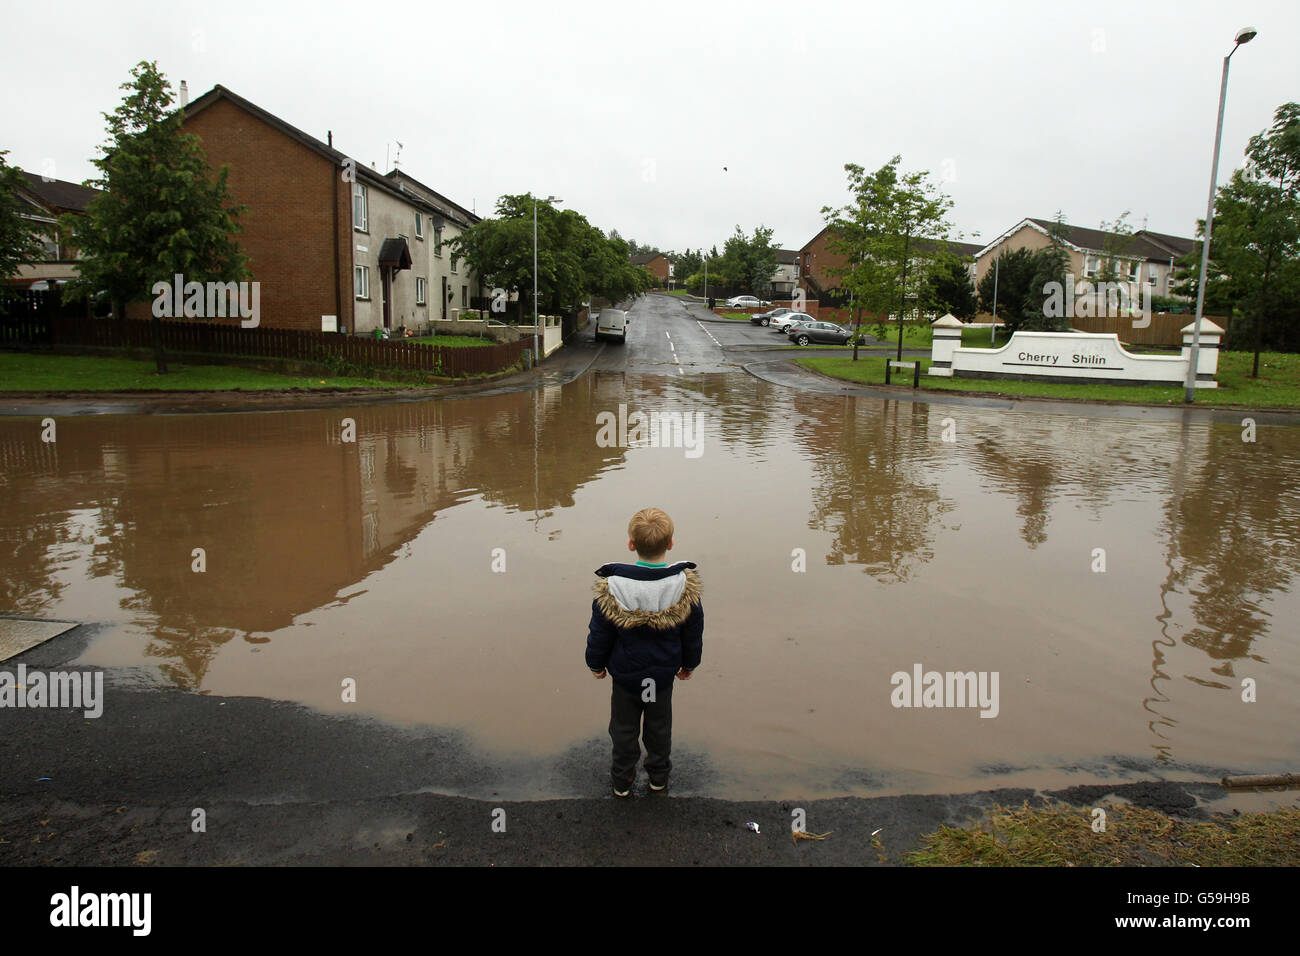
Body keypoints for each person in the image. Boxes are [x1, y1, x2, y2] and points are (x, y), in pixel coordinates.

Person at [586, 508, 703, 797]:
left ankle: (622, 783)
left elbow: (600, 633)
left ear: (630, 544)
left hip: (626, 677)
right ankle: (658, 780)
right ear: (671, 544)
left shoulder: (613, 588)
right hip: (660, 678)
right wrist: (690, 664)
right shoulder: (683, 587)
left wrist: (595, 664)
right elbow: (693, 633)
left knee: (624, 729)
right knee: (659, 728)